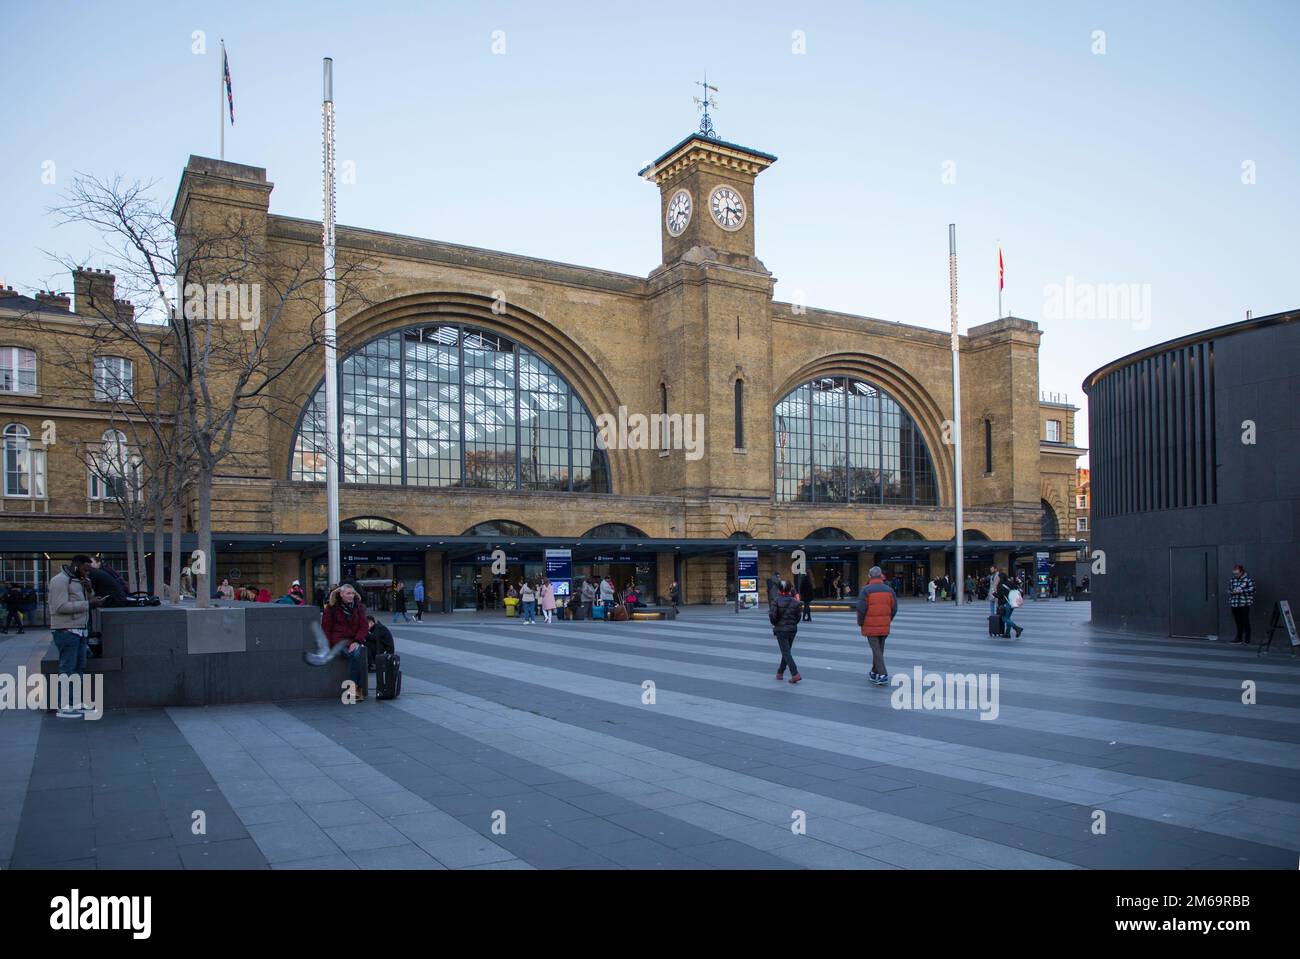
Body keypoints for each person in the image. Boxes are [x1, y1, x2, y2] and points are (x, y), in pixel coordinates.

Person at [48, 555, 106, 717]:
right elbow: (60, 606)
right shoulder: (59, 581)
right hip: (66, 630)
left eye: (89, 570)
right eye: (85, 569)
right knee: (67, 669)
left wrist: (89, 590)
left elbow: (87, 600)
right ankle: (64, 706)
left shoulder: (79, 580)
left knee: (79, 668)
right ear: (76, 566)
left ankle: (76, 702)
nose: (87, 572)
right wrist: (88, 604)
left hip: (80, 629)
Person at [322, 584, 371, 701]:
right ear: (341, 594)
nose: (351, 596)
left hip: (354, 639)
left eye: (352, 593)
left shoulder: (359, 607)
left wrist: (357, 641)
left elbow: (364, 626)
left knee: (356, 653)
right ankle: (355, 688)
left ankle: (354, 688)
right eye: (348, 593)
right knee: (352, 654)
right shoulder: (331, 608)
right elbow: (326, 628)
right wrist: (328, 646)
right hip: (339, 641)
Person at [857, 565, 898, 686]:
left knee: (876, 650)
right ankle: (874, 672)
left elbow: (861, 609)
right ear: (881, 576)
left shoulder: (865, 590)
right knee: (879, 649)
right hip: (884, 625)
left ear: (869, 576)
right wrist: (888, 619)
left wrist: (861, 622)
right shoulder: (889, 590)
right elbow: (894, 608)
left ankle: (883, 674)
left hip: (870, 625)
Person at [769, 580, 803, 684]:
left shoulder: (776, 601)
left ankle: (795, 673)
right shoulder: (795, 602)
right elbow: (798, 617)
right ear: (790, 589)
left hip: (781, 630)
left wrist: (776, 623)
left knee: (786, 652)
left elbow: (773, 618)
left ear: (779, 589)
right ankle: (780, 672)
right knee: (786, 651)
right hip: (792, 629)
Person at [1228, 564, 1255, 645]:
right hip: (1234, 604)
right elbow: (1229, 590)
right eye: (1234, 573)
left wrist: (1241, 591)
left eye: (1237, 573)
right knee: (1238, 621)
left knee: (1245, 621)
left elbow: (1253, 590)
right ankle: (1238, 638)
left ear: (1242, 572)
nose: (1236, 575)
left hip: (1244, 603)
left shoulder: (1248, 580)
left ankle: (1247, 639)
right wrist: (1232, 592)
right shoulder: (1232, 580)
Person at [996, 574, 1024, 639]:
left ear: (1000, 578)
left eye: (998, 577)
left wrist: (994, 594)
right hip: (1012, 603)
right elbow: (1017, 587)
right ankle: (1007, 634)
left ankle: (1017, 628)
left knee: (1004, 618)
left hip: (1006, 603)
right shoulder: (1010, 583)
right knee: (1008, 618)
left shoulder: (1000, 585)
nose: (997, 579)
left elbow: (1000, 596)